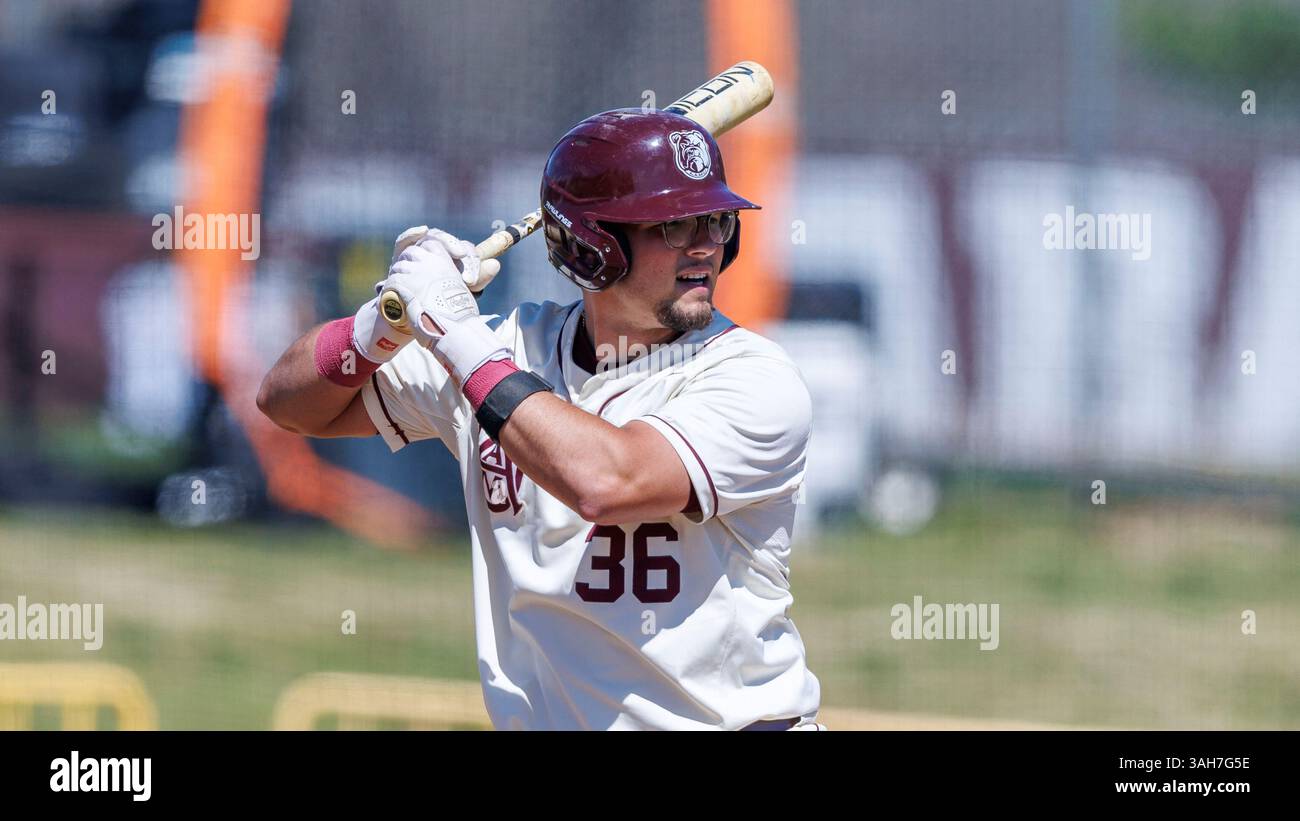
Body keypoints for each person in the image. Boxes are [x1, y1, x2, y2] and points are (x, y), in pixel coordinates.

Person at [257, 108, 823, 730]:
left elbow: (606, 482)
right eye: (671, 225)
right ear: (593, 247)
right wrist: (379, 327)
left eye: (716, 221)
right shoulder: (507, 348)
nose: (705, 246)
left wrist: (457, 335)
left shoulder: (752, 376)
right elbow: (288, 404)